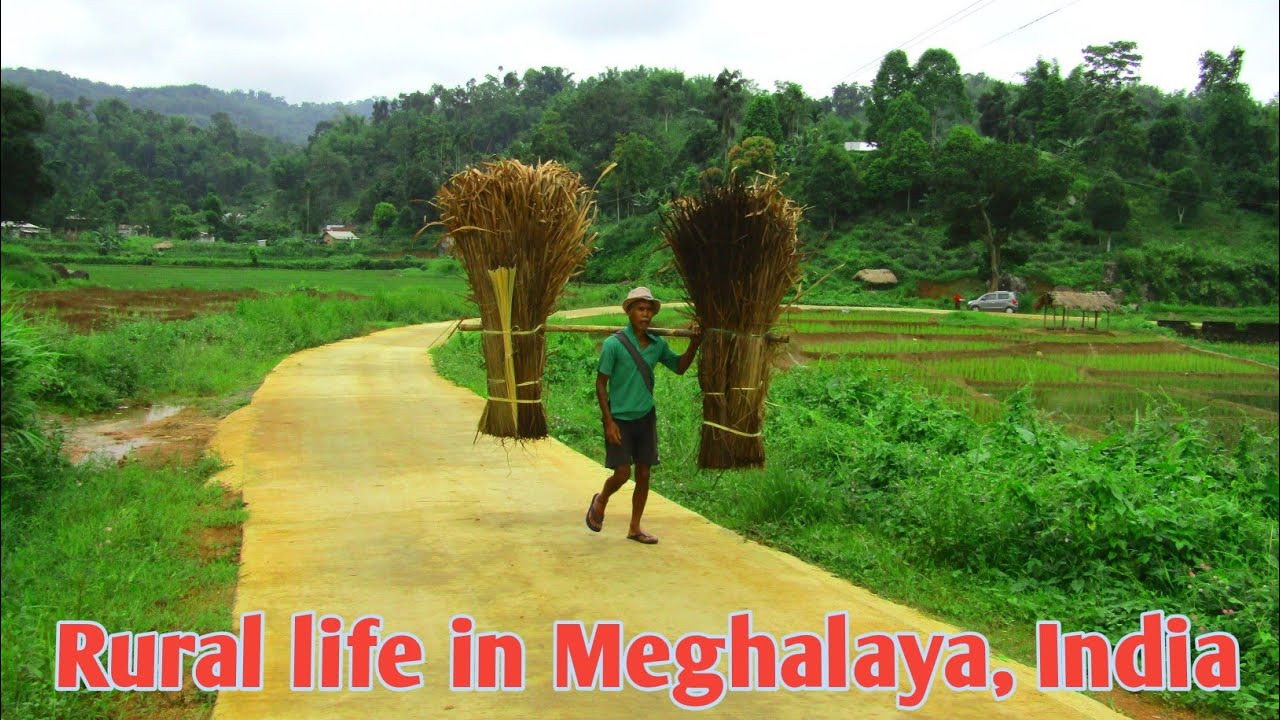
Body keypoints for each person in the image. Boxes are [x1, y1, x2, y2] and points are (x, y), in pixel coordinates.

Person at [584, 287, 701, 545]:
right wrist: (608, 422)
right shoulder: (614, 344)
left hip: (645, 417)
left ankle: (635, 528)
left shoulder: (658, 345)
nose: (645, 315)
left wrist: (695, 342)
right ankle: (601, 498)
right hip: (620, 419)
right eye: (640, 309)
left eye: (649, 310)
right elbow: (601, 383)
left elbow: (680, 368)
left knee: (644, 474)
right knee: (623, 472)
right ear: (629, 312)